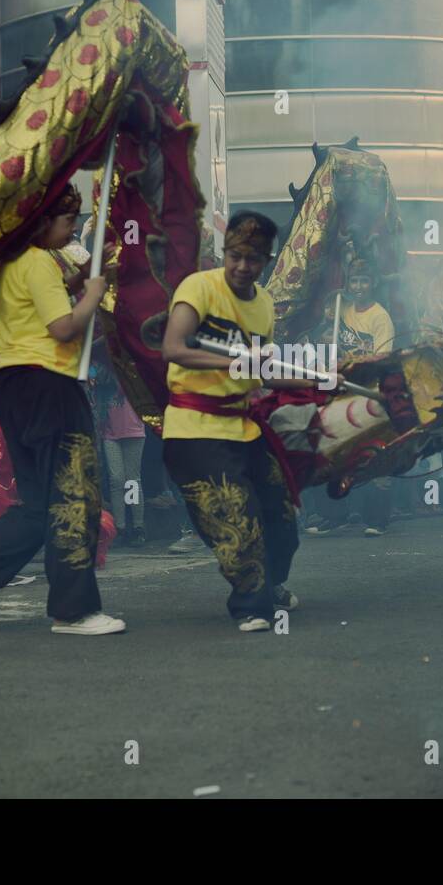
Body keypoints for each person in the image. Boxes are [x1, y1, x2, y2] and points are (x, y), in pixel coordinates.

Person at [0, 185, 124, 636]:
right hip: (50, 384)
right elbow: (62, 326)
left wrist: (83, 279)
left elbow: (44, 304)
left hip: (16, 386)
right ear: (40, 221)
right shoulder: (38, 260)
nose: (73, 228)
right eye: (67, 220)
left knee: (41, 504)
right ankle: (73, 612)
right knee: (74, 498)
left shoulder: (8, 263)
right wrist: (94, 293)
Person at [160, 210, 325, 633]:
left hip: (244, 426)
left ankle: (270, 584)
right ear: (225, 251)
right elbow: (174, 348)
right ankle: (251, 606)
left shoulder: (265, 303)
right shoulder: (199, 287)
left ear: (267, 260)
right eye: (235, 256)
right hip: (195, 428)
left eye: (253, 259)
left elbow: (261, 371)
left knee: (282, 520)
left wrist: (321, 380)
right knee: (238, 519)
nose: (242, 266)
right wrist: (238, 358)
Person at [307, 258, 395, 537]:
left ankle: (377, 519)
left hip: (368, 390)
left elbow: (383, 358)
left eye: (364, 281)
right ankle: (334, 515)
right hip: (340, 389)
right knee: (332, 449)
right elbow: (324, 333)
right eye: (354, 281)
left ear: (373, 283)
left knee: (372, 453)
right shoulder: (341, 309)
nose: (358, 286)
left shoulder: (380, 317)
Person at [98, 362, 147, 546]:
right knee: (117, 480)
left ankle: (138, 527)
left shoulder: (133, 371)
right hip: (110, 433)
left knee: (131, 481)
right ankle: (120, 527)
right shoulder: (103, 375)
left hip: (133, 431)